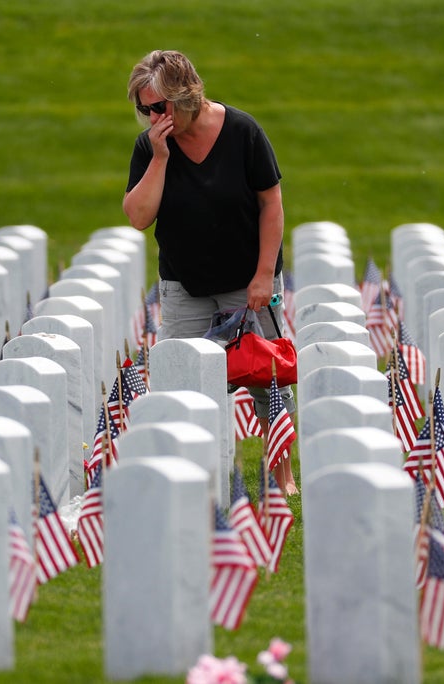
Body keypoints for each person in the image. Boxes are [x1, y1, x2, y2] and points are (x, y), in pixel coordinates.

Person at [122, 49, 298, 494]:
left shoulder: (242, 131)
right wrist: (160, 158)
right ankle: (183, 476)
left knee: (265, 379)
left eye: (158, 107)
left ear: (185, 95)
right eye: (144, 109)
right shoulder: (150, 147)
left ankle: (283, 476)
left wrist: (263, 274)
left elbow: (271, 204)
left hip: (246, 281)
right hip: (186, 283)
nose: (151, 117)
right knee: (179, 375)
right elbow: (139, 217)